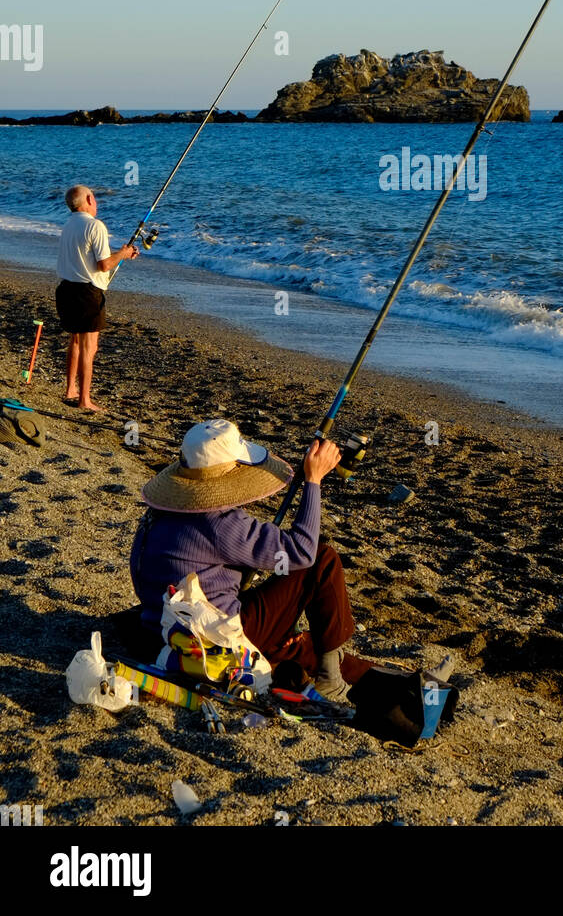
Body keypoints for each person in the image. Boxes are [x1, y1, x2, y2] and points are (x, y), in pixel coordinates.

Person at [129, 418, 356, 702]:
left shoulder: (159, 512)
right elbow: (302, 551)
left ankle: (326, 660)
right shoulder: (218, 523)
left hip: (161, 627)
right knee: (323, 559)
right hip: (214, 636)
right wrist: (313, 481)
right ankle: (330, 680)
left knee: (301, 647)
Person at [55, 184, 139, 411]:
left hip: (66, 289)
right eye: (95, 197)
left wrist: (122, 254)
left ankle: (70, 390)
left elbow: (89, 261)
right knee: (89, 347)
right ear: (89, 199)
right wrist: (123, 253)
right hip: (87, 293)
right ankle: (84, 400)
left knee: (75, 341)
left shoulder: (68, 225)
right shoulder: (95, 226)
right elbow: (103, 266)